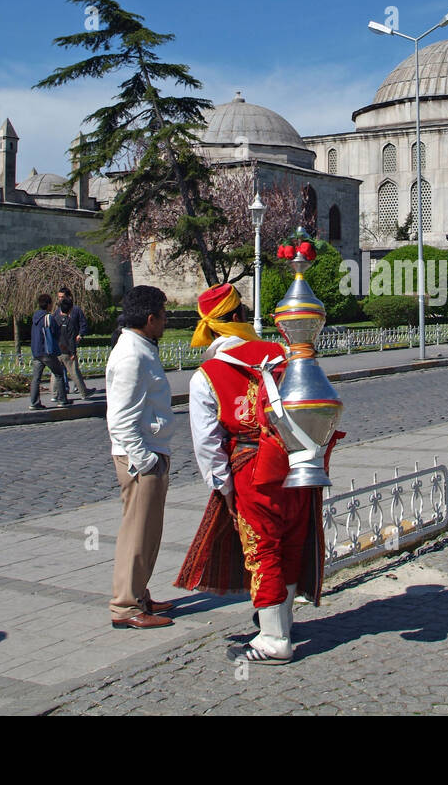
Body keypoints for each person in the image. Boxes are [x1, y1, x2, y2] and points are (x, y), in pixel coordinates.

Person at [177, 283, 332, 664]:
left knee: (262, 548)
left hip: (251, 470)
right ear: (241, 317)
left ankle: (274, 638)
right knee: (292, 538)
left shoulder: (206, 376)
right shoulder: (282, 353)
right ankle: (283, 620)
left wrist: (222, 487)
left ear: (211, 328)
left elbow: (208, 443)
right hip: (295, 460)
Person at [105, 285, 177, 630]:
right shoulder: (132, 355)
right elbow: (119, 418)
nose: (166, 321)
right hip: (141, 457)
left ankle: (139, 593)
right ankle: (126, 606)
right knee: (137, 532)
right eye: (163, 316)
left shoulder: (142, 346)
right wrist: (144, 460)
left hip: (151, 452)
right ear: (150, 320)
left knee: (148, 532)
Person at [30, 293, 69, 410]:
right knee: (59, 374)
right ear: (48, 304)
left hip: (37, 352)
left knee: (36, 378)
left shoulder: (35, 317)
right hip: (47, 351)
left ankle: (34, 402)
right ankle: (62, 400)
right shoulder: (48, 317)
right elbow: (55, 332)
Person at [54, 290, 92, 398]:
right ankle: (63, 388)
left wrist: (80, 335)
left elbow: (83, 324)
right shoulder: (58, 312)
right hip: (62, 344)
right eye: (59, 297)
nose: (60, 299)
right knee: (62, 369)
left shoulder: (76, 310)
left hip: (71, 341)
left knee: (73, 368)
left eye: (62, 297)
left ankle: (77, 387)